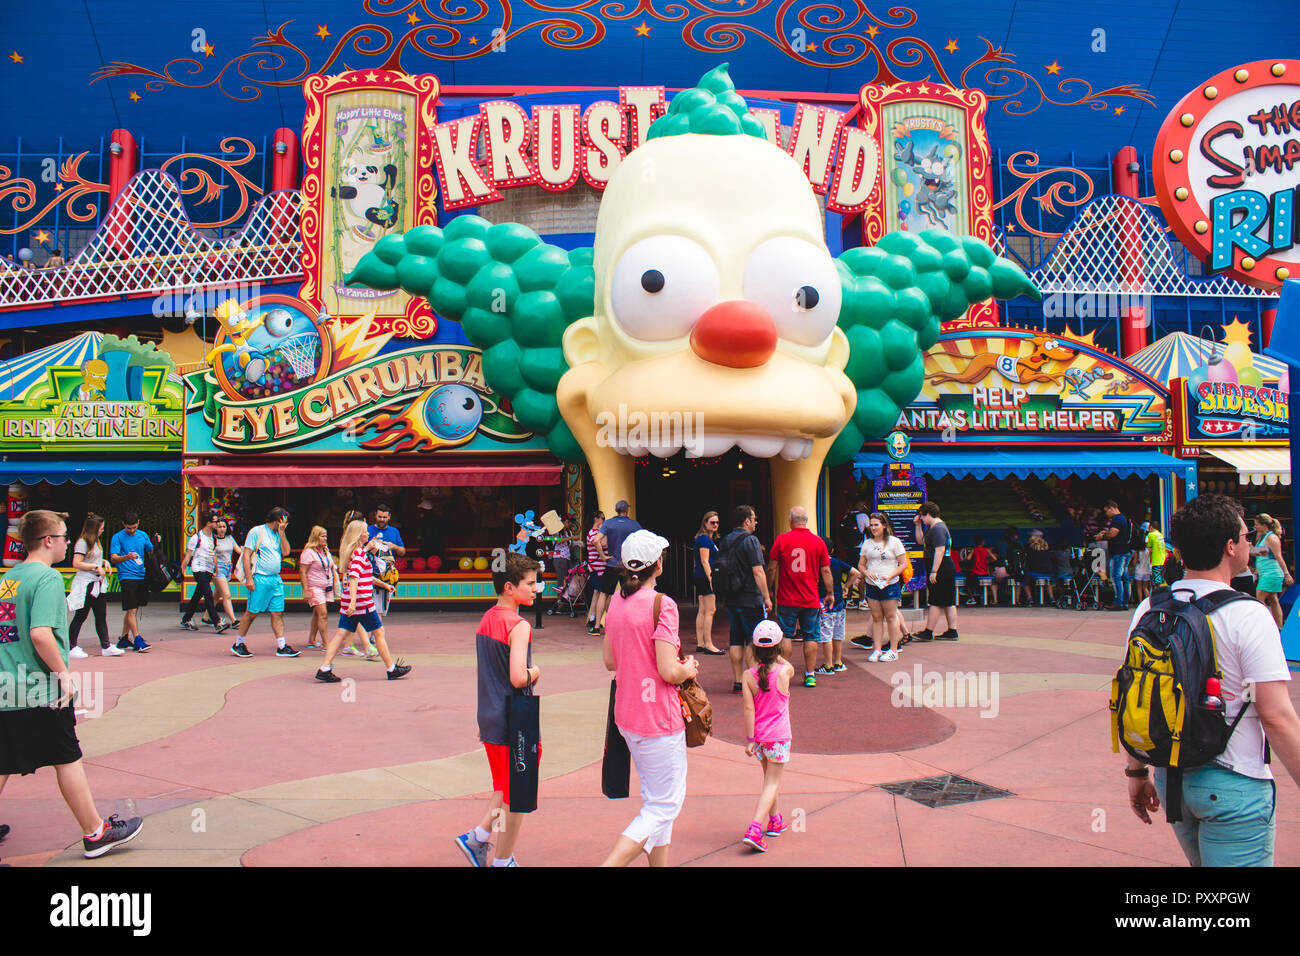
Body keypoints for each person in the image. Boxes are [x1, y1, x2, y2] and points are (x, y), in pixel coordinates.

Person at [1125, 495, 1300, 867]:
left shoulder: (1151, 608)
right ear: (1230, 547)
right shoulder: (1249, 615)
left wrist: (1136, 771)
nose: (1251, 542)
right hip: (1233, 781)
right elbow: (1276, 716)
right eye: (1245, 535)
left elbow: (1136, 693)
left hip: (1173, 778)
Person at [0, 510, 144, 858]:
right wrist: (64, 676)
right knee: (68, 758)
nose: (68, 541)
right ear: (48, 541)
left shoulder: (10, 577)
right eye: (64, 536)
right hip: (38, 689)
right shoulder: (47, 578)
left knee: (2, 761)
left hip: (6, 686)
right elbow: (40, 634)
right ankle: (96, 832)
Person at [600, 530, 697, 867]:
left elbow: (610, 661)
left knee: (656, 802)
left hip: (627, 715)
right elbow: (669, 671)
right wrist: (689, 668)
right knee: (663, 806)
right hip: (658, 716)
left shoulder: (616, 602)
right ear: (658, 565)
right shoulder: (662, 604)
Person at [454, 551, 540, 867]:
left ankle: (478, 838)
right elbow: (518, 677)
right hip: (515, 719)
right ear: (509, 587)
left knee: (504, 786)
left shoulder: (487, 619)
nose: (536, 588)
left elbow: (488, 673)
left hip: (491, 715)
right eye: (529, 583)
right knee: (517, 796)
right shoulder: (518, 625)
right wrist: (535, 672)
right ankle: (503, 860)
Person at [315, 521, 410, 683]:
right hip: (362, 601)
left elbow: (364, 576)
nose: (368, 533)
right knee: (379, 632)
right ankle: (391, 668)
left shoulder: (355, 552)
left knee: (340, 634)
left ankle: (324, 668)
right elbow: (354, 578)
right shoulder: (359, 554)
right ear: (359, 535)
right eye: (365, 531)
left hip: (352, 601)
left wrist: (384, 585)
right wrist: (353, 602)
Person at [741, 619, 794, 852]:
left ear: (753, 649)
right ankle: (754, 828)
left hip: (760, 738)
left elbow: (748, 709)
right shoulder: (785, 671)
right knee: (772, 783)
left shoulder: (747, 676)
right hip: (779, 737)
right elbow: (784, 663)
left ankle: (775, 820)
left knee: (769, 782)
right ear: (779, 648)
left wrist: (751, 740)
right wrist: (775, 653)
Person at [768, 507, 833, 687]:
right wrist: (830, 592)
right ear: (806, 520)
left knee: (786, 635)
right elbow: (826, 570)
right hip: (810, 598)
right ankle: (810, 674)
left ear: (790, 520)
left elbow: (772, 568)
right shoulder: (818, 542)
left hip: (787, 598)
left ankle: (784, 673)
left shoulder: (782, 540)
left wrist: (768, 590)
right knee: (811, 636)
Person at [232, 506, 298, 658]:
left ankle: (282, 646)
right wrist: (249, 578)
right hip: (260, 578)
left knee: (277, 612)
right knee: (252, 612)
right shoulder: (257, 531)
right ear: (278, 520)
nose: (285, 525)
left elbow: (286, 552)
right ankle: (238, 643)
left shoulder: (278, 534)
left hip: (275, 579)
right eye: (284, 522)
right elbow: (247, 555)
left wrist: (282, 533)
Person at [722, 505, 772, 694]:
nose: (756, 522)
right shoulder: (751, 541)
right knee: (753, 640)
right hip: (750, 597)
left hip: (731, 596)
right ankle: (753, 680)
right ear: (747, 521)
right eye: (754, 519)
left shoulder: (726, 539)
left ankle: (737, 681)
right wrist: (766, 596)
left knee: (735, 639)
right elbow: (758, 571)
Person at [67, 514, 120, 658]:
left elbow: (91, 557)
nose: (103, 530)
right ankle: (71, 646)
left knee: (101, 615)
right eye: (101, 528)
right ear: (94, 529)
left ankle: (106, 646)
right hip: (87, 583)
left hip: (98, 583)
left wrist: (103, 561)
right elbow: (76, 563)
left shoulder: (96, 541)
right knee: (81, 616)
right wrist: (96, 567)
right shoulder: (82, 542)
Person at [859, 512, 907, 662]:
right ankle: (877, 649)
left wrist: (891, 576)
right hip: (872, 584)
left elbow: (903, 563)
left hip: (890, 584)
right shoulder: (867, 544)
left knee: (891, 616)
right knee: (876, 617)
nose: (873, 528)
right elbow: (861, 564)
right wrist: (866, 572)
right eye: (871, 525)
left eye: (876, 525)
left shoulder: (894, 542)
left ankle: (893, 649)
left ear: (884, 526)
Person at [591, 500, 639, 637]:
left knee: (604, 594)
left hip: (611, 563)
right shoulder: (634, 525)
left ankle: (596, 626)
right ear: (627, 510)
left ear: (616, 510)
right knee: (630, 594)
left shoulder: (608, 523)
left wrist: (603, 556)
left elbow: (596, 540)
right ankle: (629, 626)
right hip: (626, 565)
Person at [108, 512, 152, 652]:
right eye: (128, 528)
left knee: (132, 609)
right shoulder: (117, 537)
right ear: (123, 525)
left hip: (141, 575)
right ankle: (138, 639)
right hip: (126, 576)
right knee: (132, 609)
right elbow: (113, 558)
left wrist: (156, 542)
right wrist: (127, 557)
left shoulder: (143, 535)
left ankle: (123, 638)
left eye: (134, 527)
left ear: (138, 523)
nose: (131, 530)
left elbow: (151, 551)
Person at [913, 502, 957, 642]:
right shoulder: (932, 527)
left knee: (936, 601)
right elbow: (921, 541)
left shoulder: (938, 528)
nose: (921, 518)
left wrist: (934, 571)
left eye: (922, 515)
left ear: (928, 514)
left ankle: (928, 631)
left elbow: (940, 550)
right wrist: (918, 525)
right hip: (943, 567)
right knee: (948, 601)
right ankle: (952, 631)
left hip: (941, 567)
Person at [180, 510, 227, 633]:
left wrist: (215, 570)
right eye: (215, 522)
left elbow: (214, 555)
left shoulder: (213, 538)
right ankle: (217, 622)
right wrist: (182, 572)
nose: (217, 524)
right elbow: (188, 556)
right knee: (208, 594)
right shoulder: (197, 537)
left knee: (197, 596)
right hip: (198, 569)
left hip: (208, 570)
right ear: (208, 523)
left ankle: (186, 618)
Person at [819, 536, 861, 672]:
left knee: (826, 634)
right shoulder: (837, 562)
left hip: (824, 601)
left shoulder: (817, 564)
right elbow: (855, 573)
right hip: (839, 601)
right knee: (838, 632)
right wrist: (846, 586)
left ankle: (828, 665)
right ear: (831, 550)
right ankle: (838, 662)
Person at [1251, 514, 1293, 629]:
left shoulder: (1272, 538)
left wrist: (1287, 574)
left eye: (1257, 525)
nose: (1255, 527)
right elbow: (1259, 553)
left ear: (1264, 525)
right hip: (1265, 573)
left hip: (1272, 574)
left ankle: (1267, 626)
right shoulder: (1261, 538)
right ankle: (1279, 627)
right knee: (1273, 600)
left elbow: (1279, 557)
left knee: (1259, 598)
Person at [298, 525, 337, 650]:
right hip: (315, 587)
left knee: (317, 614)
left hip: (326, 586)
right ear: (316, 537)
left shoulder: (326, 551)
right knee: (323, 614)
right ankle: (327, 644)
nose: (325, 538)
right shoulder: (308, 553)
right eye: (322, 536)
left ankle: (311, 640)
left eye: (325, 536)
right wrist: (306, 590)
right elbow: (302, 571)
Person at [693, 511, 724, 655]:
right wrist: (711, 579)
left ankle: (701, 642)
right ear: (705, 523)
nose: (715, 525)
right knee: (710, 610)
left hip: (699, 576)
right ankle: (709, 644)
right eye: (712, 522)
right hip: (705, 576)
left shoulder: (702, 538)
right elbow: (705, 560)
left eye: (717, 522)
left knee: (703, 609)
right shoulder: (705, 539)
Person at [367, 504, 405, 618]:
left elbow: (402, 551)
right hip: (371, 570)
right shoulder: (368, 530)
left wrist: (393, 546)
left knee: (383, 607)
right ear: (375, 516)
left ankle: (374, 634)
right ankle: (375, 634)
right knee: (371, 604)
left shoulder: (394, 531)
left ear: (389, 517)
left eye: (384, 517)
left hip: (388, 573)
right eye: (379, 517)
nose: (382, 519)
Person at [1096, 500, 1132, 611]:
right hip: (1125, 551)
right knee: (1124, 577)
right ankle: (1125, 601)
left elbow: (1113, 533)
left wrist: (1102, 536)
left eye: (1106, 511)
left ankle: (1118, 602)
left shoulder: (1117, 519)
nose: (1106, 514)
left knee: (1116, 577)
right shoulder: (1124, 518)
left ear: (1111, 508)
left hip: (1118, 553)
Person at [210, 517, 239, 628]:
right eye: (219, 527)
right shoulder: (213, 539)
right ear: (215, 528)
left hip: (228, 568)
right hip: (218, 569)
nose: (222, 529)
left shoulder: (230, 538)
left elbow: (238, 550)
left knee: (216, 595)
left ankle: (207, 617)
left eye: (224, 526)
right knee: (226, 594)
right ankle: (234, 620)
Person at [584, 511, 606, 633]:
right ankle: (595, 620)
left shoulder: (595, 533)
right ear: (596, 519)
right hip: (597, 568)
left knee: (597, 593)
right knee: (600, 593)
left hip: (598, 567)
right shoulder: (594, 533)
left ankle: (592, 618)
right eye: (602, 518)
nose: (603, 520)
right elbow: (601, 544)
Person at [1131, 524, 1152, 603]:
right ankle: (1148, 602)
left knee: (1139, 588)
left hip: (1139, 571)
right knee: (1145, 588)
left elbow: (1134, 563)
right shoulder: (1148, 551)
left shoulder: (1138, 551)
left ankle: (1140, 602)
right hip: (1147, 570)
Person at [1146, 519, 1167, 590]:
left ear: (1151, 527)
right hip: (1162, 560)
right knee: (1161, 580)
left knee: (1157, 582)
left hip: (1156, 561)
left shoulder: (1150, 535)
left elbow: (1149, 548)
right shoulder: (1160, 534)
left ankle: (1160, 596)